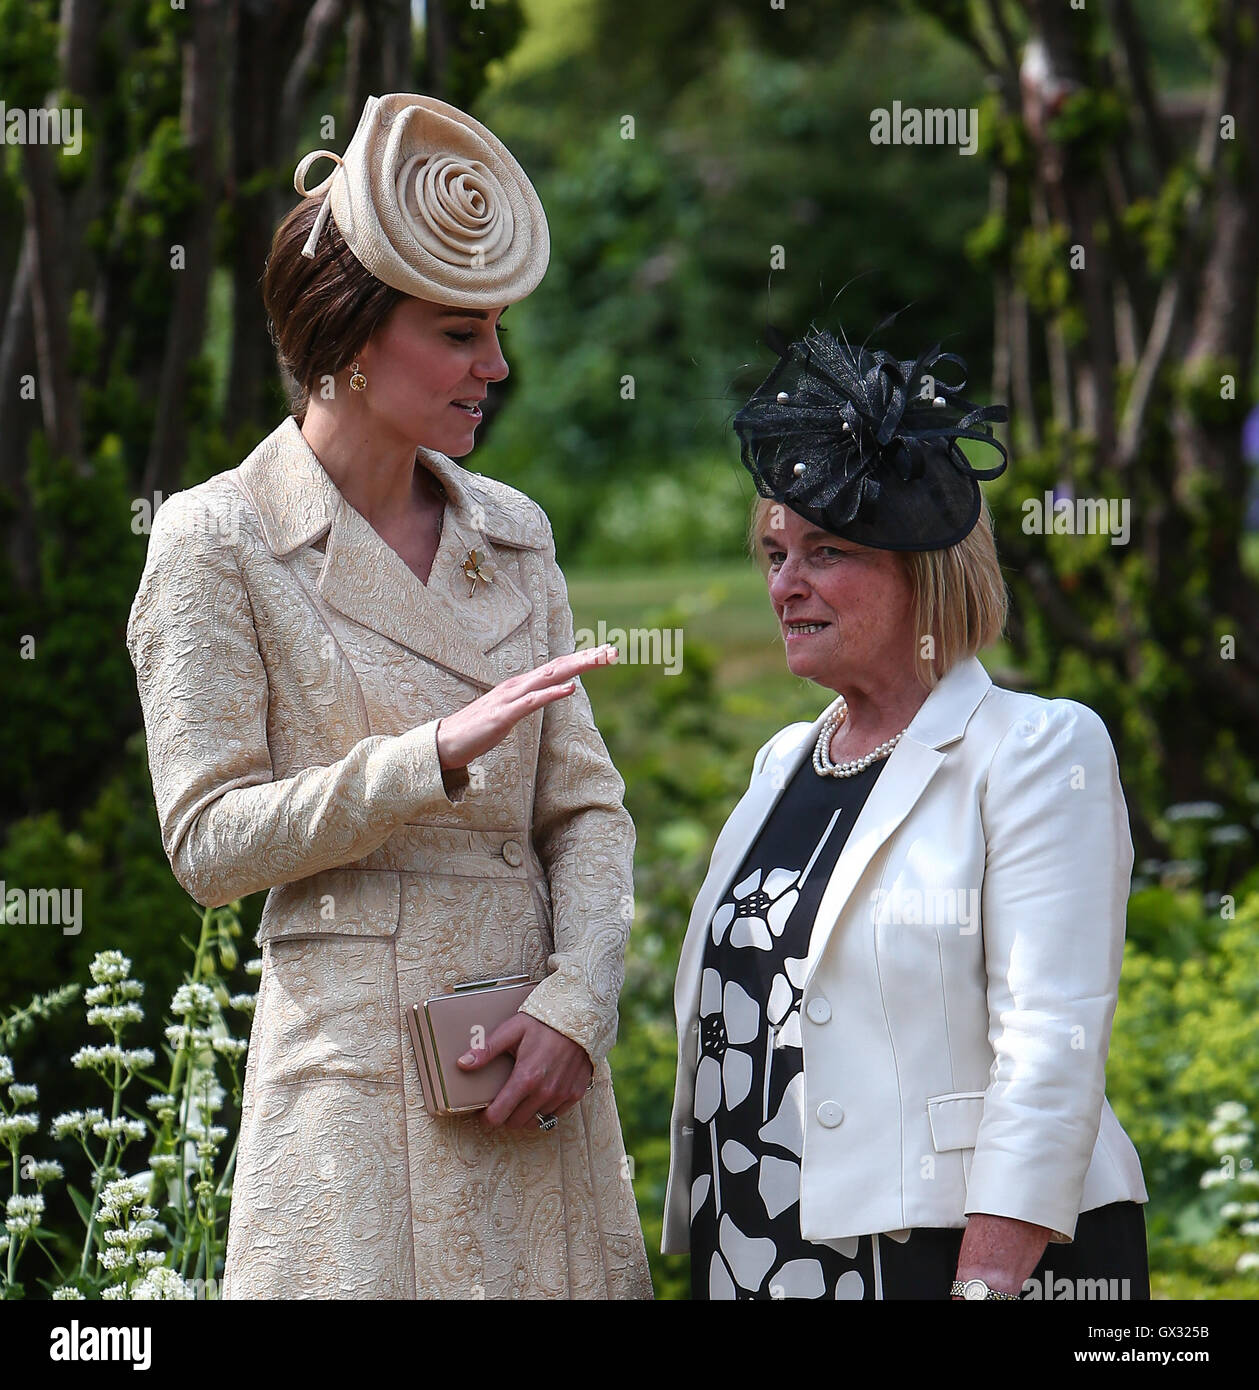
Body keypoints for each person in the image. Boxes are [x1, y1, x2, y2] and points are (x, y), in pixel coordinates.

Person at [125, 92, 652, 1300]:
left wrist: (578, 1003)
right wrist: (427, 755)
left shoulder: (513, 533)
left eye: (497, 330)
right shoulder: (218, 539)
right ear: (353, 337)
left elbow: (587, 812)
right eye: (461, 332)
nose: (497, 367)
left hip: (530, 1078)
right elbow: (208, 844)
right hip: (352, 1099)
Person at [661, 320, 1149, 1300]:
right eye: (772, 554)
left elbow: (1049, 1042)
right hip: (754, 1249)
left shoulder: (1033, 749)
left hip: (936, 1265)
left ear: (921, 571)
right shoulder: (778, 766)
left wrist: (980, 1286)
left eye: (825, 551)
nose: (784, 585)